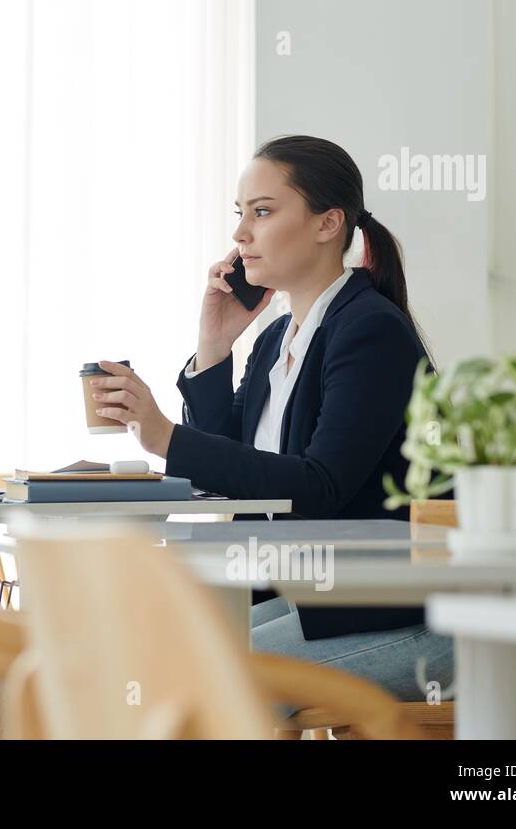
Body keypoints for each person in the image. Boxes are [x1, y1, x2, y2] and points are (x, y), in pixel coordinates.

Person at [87, 134, 454, 708]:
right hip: (315, 591)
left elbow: (319, 486)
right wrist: (215, 344)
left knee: (194, 686)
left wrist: (163, 436)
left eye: (261, 212)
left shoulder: (370, 331)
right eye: (241, 214)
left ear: (328, 223)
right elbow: (229, 471)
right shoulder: (277, 341)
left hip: (405, 612)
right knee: (130, 657)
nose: (240, 234)